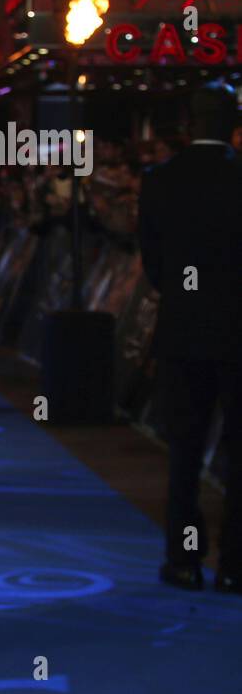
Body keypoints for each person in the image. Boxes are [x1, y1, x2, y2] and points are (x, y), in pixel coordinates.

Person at [138, 82, 242, 595]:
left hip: (183, 332)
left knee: (184, 450)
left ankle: (183, 560)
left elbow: (154, 267)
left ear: (191, 124)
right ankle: (235, 564)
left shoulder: (161, 181)